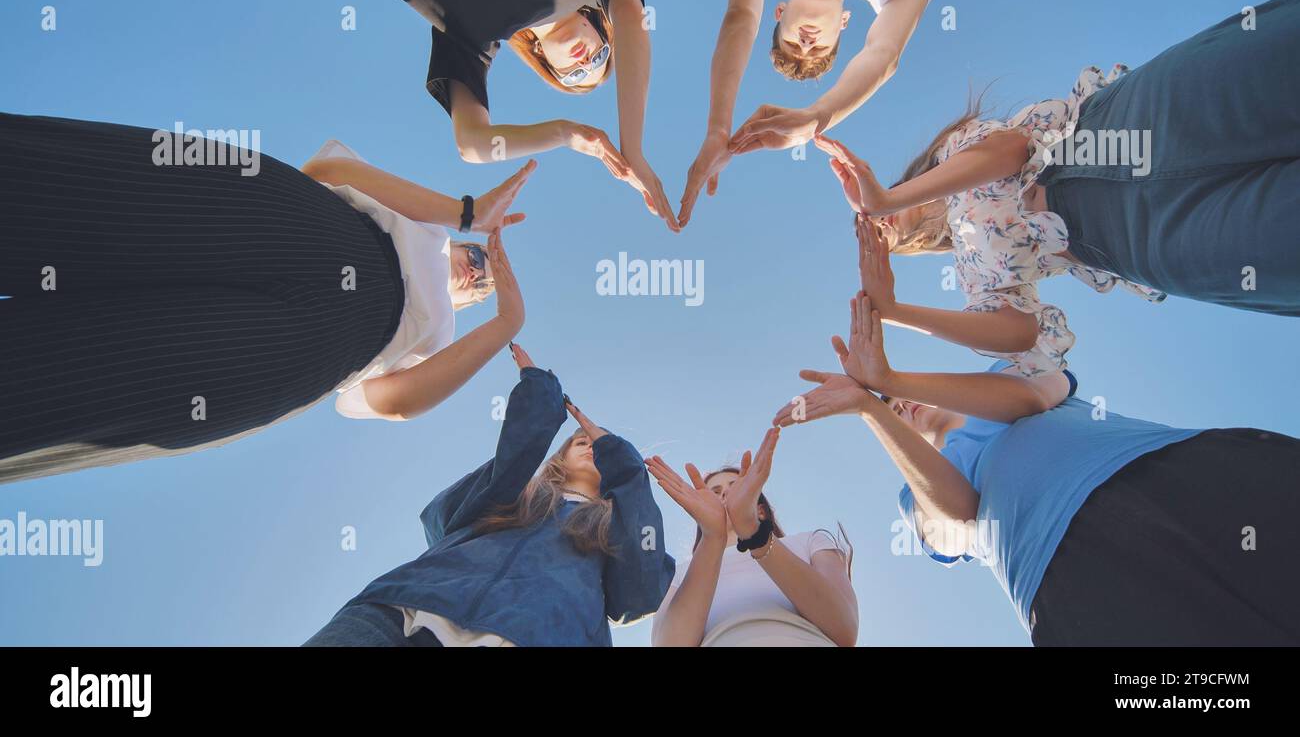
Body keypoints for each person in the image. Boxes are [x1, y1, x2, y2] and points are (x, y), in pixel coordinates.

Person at [0, 113, 530, 483]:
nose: (475, 273)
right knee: (82, 196)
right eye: (478, 257)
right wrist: (465, 212)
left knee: (85, 382)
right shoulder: (422, 227)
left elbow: (392, 403)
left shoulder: (435, 339)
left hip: (300, 352)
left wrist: (505, 324)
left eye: (483, 284)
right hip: (295, 224)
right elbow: (329, 174)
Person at [775, 292, 1300, 645]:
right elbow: (958, 519)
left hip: (1171, 475)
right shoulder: (916, 493)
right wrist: (869, 408)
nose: (899, 405)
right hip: (1070, 578)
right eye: (888, 409)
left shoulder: (1000, 374)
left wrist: (891, 378)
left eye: (895, 397)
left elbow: (1028, 395)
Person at [836, 0, 1300, 318]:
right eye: (870, 231)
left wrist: (891, 202)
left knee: (1275, 65)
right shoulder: (975, 269)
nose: (872, 221)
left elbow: (1012, 149)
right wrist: (893, 311)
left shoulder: (951, 154)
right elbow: (1015, 335)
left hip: (1128, 122)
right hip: (1141, 239)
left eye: (868, 211)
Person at [304, 0, 679, 231]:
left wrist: (566, 133)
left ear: (545, 62)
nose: (585, 61)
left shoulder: (473, 38)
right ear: (597, 22)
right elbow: (632, 18)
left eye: (575, 74)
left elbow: (472, 143)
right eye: (600, 58)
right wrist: (633, 148)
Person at [304, 344, 675, 646]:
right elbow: (442, 518)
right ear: (558, 453)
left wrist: (626, 468)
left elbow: (640, 593)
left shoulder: (622, 525)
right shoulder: (515, 490)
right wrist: (538, 408)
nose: (590, 443)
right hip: (399, 612)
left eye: (599, 442)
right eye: (581, 438)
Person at [679, 0, 1020, 227]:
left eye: (793, 44)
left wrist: (718, 128)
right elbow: (884, 53)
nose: (807, 44)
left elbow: (741, 15)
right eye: (819, 48)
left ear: (779, 12)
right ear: (844, 25)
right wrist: (817, 116)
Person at [646, 428, 858, 646]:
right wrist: (712, 538)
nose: (726, 494)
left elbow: (844, 629)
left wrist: (753, 532)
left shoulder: (811, 542)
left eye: (736, 487)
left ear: (761, 510)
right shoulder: (679, 574)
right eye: (715, 492)